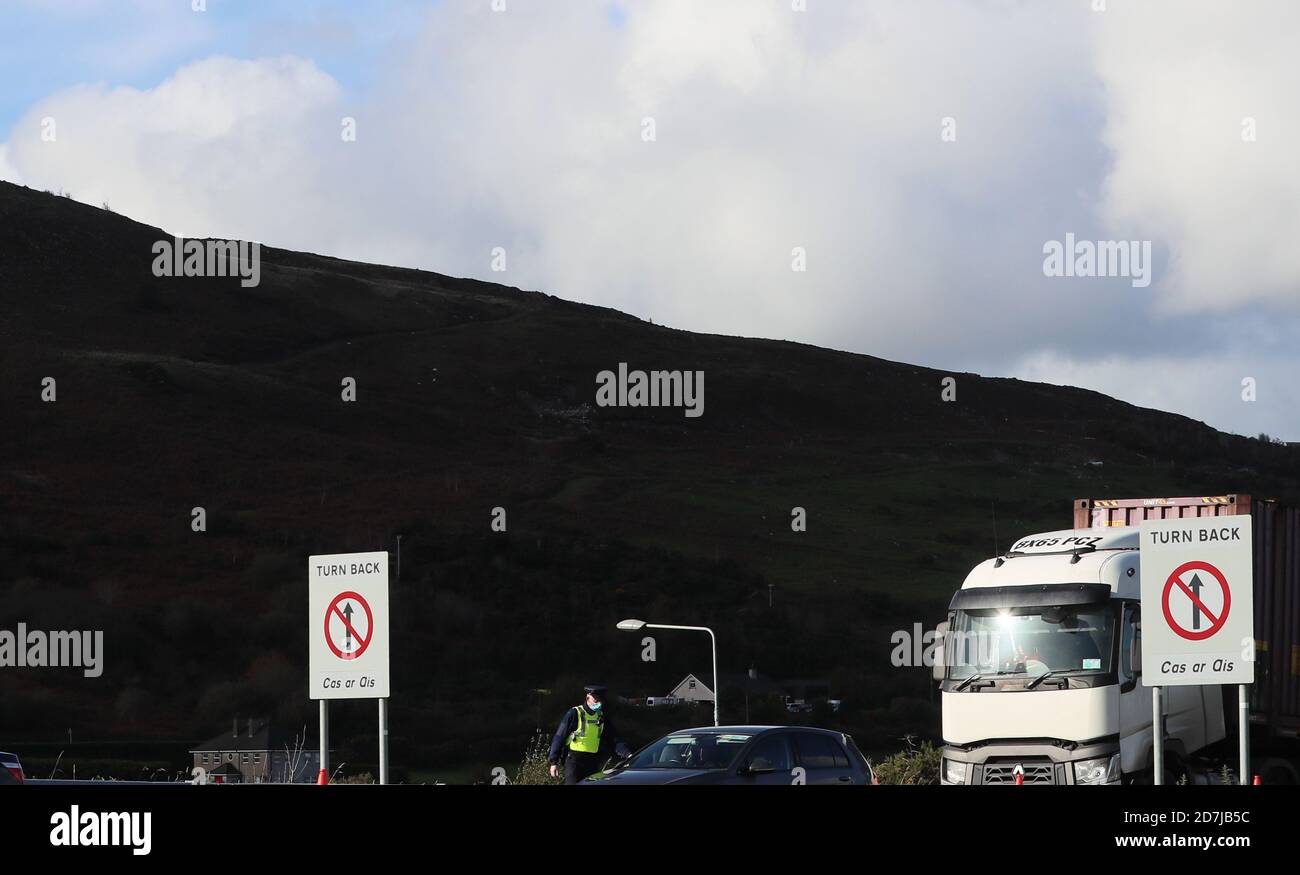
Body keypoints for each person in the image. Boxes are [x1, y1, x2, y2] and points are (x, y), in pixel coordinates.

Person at [547, 684, 631, 784]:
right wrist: (553, 762)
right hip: (574, 761)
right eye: (596, 700)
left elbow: (614, 738)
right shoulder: (574, 713)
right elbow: (559, 737)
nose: (599, 703)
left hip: (592, 762)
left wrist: (628, 755)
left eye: (600, 700)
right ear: (587, 697)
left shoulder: (601, 717)